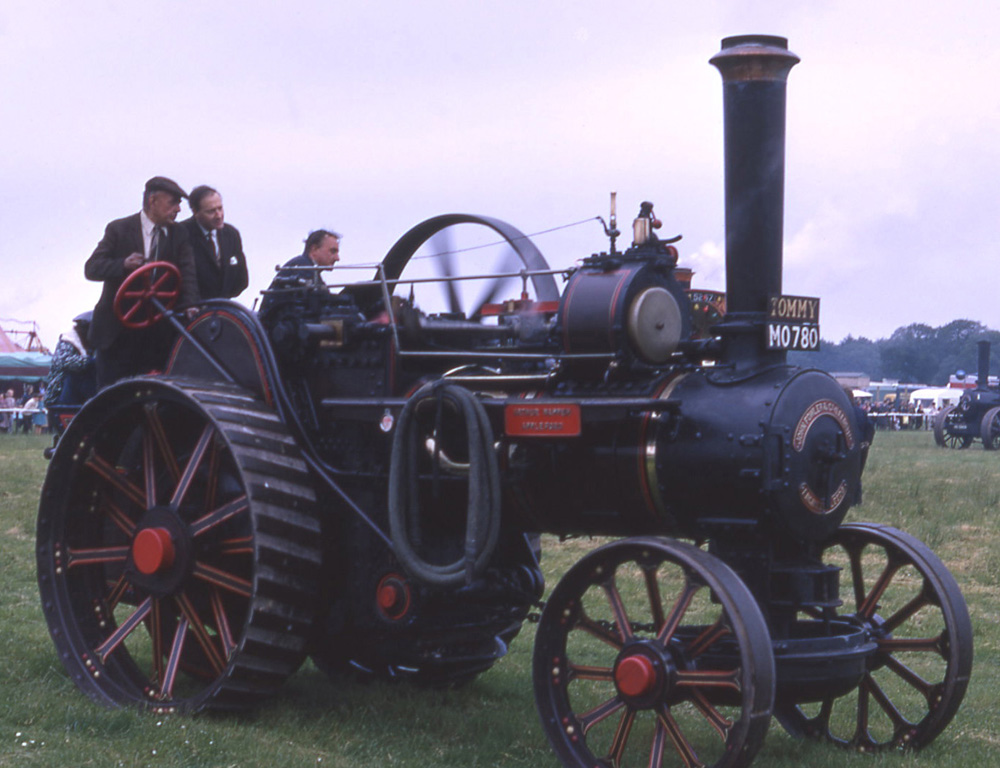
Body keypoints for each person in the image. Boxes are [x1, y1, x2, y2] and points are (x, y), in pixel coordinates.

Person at [85, 176, 200, 388]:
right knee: (112, 396)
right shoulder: (118, 229)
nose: (178, 210)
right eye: (173, 203)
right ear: (152, 201)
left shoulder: (179, 234)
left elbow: (188, 274)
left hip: (155, 336)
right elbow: (92, 268)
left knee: (152, 395)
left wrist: (191, 305)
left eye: (179, 204)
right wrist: (122, 264)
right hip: (116, 335)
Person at [181, 185, 249, 300]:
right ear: (195, 212)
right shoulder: (181, 234)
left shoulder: (231, 234)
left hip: (224, 308)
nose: (219, 215)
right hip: (193, 311)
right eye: (211, 211)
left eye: (220, 208)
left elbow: (241, 279)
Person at [259, 229, 340, 314]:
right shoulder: (303, 268)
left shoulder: (307, 269)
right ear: (314, 249)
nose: (337, 258)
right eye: (332, 251)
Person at [43, 312, 97, 432]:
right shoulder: (68, 341)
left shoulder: (90, 346)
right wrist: (90, 361)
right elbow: (62, 361)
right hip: (60, 396)